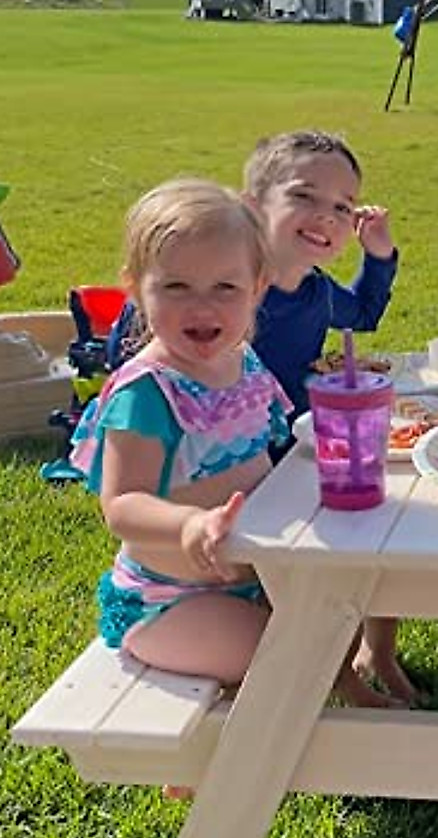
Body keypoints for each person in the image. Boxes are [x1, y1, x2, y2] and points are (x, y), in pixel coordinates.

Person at [68, 177, 384, 717]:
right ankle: (213, 764)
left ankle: (346, 689)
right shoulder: (149, 390)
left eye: (225, 288)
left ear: (258, 287)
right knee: (291, 651)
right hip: (171, 601)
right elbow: (122, 505)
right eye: (176, 288)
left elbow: (264, 459)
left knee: (335, 617)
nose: (202, 308)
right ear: (135, 288)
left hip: (253, 577)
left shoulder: (242, 364)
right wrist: (189, 526)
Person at [242, 129, 420, 705]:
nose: (327, 216)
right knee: (326, 563)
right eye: (305, 197)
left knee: (386, 521)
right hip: (252, 468)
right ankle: (335, 672)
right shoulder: (234, 293)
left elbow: (364, 313)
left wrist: (379, 254)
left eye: (343, 207)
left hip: (314, 449)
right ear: (252, 206)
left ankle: (379, 651)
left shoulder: (316, 291)